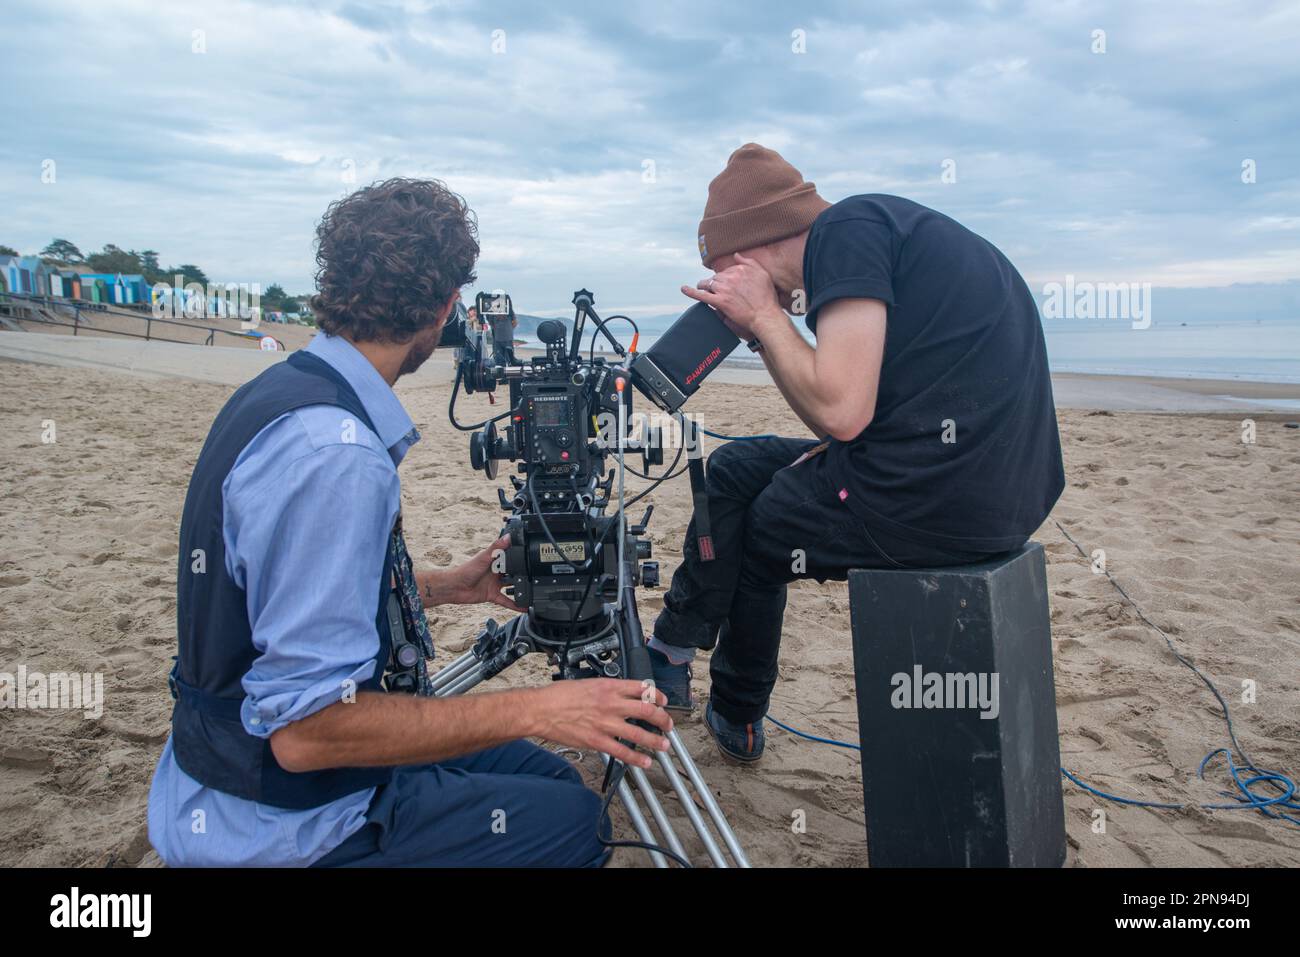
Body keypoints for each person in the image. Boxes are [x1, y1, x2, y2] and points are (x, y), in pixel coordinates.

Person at [147, 177, 672, 867]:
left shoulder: (283, 393)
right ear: (448, 307)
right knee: (579, 825)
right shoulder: (337, 457)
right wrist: (543, 708)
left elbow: (287, 597)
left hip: (225, 760)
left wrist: (451, 587)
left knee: (547, 778)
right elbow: (307, 731)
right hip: (281, 818)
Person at [647, 144, 1064, 763]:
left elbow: (841, 413)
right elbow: (834, 413)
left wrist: (765, 315)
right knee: (732, 470)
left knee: (762, 532)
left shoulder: (844, 231)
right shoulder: (884, 230)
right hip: (995, 484)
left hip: (934, 495)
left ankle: (738, 710)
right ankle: (675, 644)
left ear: (744, 250)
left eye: (721, 270)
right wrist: (764, 329)